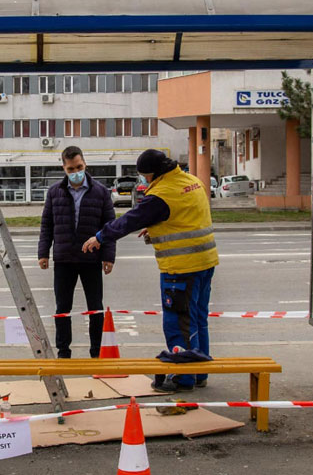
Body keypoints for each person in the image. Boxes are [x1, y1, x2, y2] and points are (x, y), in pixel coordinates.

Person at [83, 149, 218, 392]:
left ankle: (182, 377)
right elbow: (185, 216)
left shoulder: (162, 194)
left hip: (180, 269)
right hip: (205, 263)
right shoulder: (191, 181)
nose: (144, 180)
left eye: (145, 176)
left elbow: (129, 220)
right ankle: (199, 372)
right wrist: (156, 227)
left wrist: (100, 237)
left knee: (178, 324)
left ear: (155, 172)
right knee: (198, 319)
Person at [38, 146, 115, 358]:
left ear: (85, 164)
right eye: (71, 168)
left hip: (91, 259)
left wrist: (108, 256)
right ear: (64, 167)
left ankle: (96, 351)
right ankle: (63, 351)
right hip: (64, 259)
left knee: (95, 307)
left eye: (79, 167)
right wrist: (43, 253)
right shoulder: (55, 192)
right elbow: (47, 225)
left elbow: (110, 226)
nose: (76, 172)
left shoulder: (100, 192)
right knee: (62, 308)